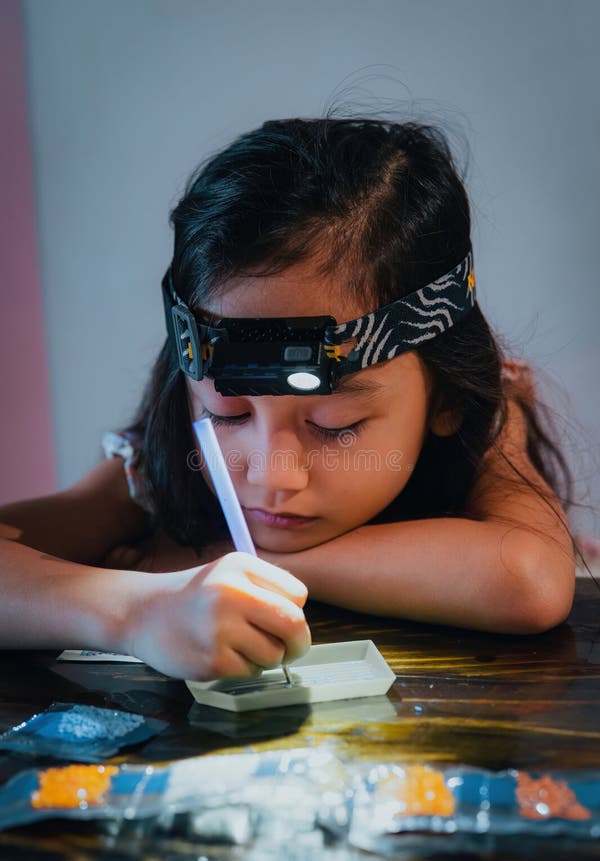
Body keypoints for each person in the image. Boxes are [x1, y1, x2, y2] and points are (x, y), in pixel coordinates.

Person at [0, 116, 588, 682]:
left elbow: (528, 583)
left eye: (335, 425)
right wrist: (138, 609)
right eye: (226, 413)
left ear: (448, 400)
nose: (273, 473)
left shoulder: (475, 450)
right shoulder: (154, 481)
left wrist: (227, 559)